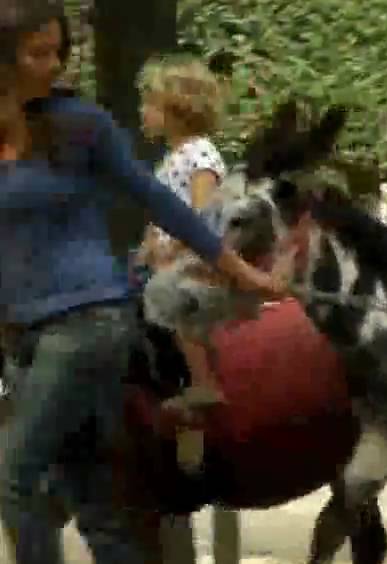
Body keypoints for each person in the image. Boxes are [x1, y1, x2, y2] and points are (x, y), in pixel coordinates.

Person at [0, 0, 283, 564]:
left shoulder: (83, 127)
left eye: (57, 51)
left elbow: (167, 207)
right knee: (95, 498)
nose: (53, 64)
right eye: (37, 52)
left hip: (90, 320)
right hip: (27, 333)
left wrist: (238, 269)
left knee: (13, 478)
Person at [137, 54, 229, 416]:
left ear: (178, 108)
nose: (143, 112)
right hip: (162, 257)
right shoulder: (173, 157)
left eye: (150, 104)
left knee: (176, 313)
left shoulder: (200, 154)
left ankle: (204, 382)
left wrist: (172, 248)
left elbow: (201, 214)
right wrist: (147, 245)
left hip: (185, 261)